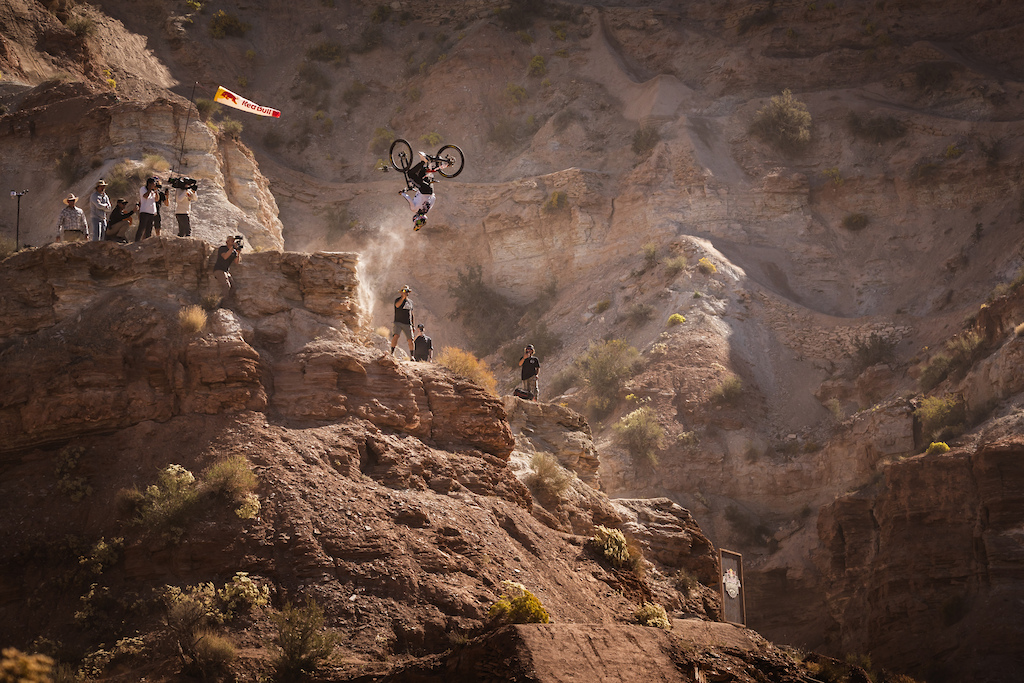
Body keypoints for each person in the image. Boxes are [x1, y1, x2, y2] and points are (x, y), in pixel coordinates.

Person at [399, 153, 444, 231]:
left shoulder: (427, 210)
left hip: (430, 190)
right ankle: (423, 161)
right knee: (411, 174)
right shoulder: (414, 209)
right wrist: (402, 193)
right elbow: (408, 199)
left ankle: (430, 162)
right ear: (416, 218)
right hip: (424, 190)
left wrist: (421, 193)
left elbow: (433, 198)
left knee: (421, 175)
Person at [213, 234, 242, 303]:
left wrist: (238, 253)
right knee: (226, 286)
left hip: (226, 271)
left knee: (233, 287)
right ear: (227, 242)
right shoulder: (222, 248)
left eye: (234, 241)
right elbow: (225, 256)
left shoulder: (234, 252)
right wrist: (232, 248)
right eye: (231, 241)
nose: (233, 242)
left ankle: (226, 300)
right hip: (219, 269)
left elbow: (237, 262)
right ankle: (223, 303)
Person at [390, 286, 415, 356]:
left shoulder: (410, 302)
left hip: (408, 323)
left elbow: (412, 314)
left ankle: (412, 356)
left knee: (411, 340)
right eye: (404, 291)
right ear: (401, 292)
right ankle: (391, 353)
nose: (406, 292)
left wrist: (413, 325)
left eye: (407, 291)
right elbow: (397, 306)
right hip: (398, 322)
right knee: (396, 336)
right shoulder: (397, 300)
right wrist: (403, 298)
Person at [135, 177, 160, 241]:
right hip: (144, 211)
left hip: (151, 212)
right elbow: (145, 196)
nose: (154, 185)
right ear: (149, 184)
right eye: (153, 184)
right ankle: (137, 241)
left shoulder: (152, 191)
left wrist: (156, 192)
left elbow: (157, 199)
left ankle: (147, 242)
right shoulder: (143, 189)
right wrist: (149, 189)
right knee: (142, 228)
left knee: (149, 229)